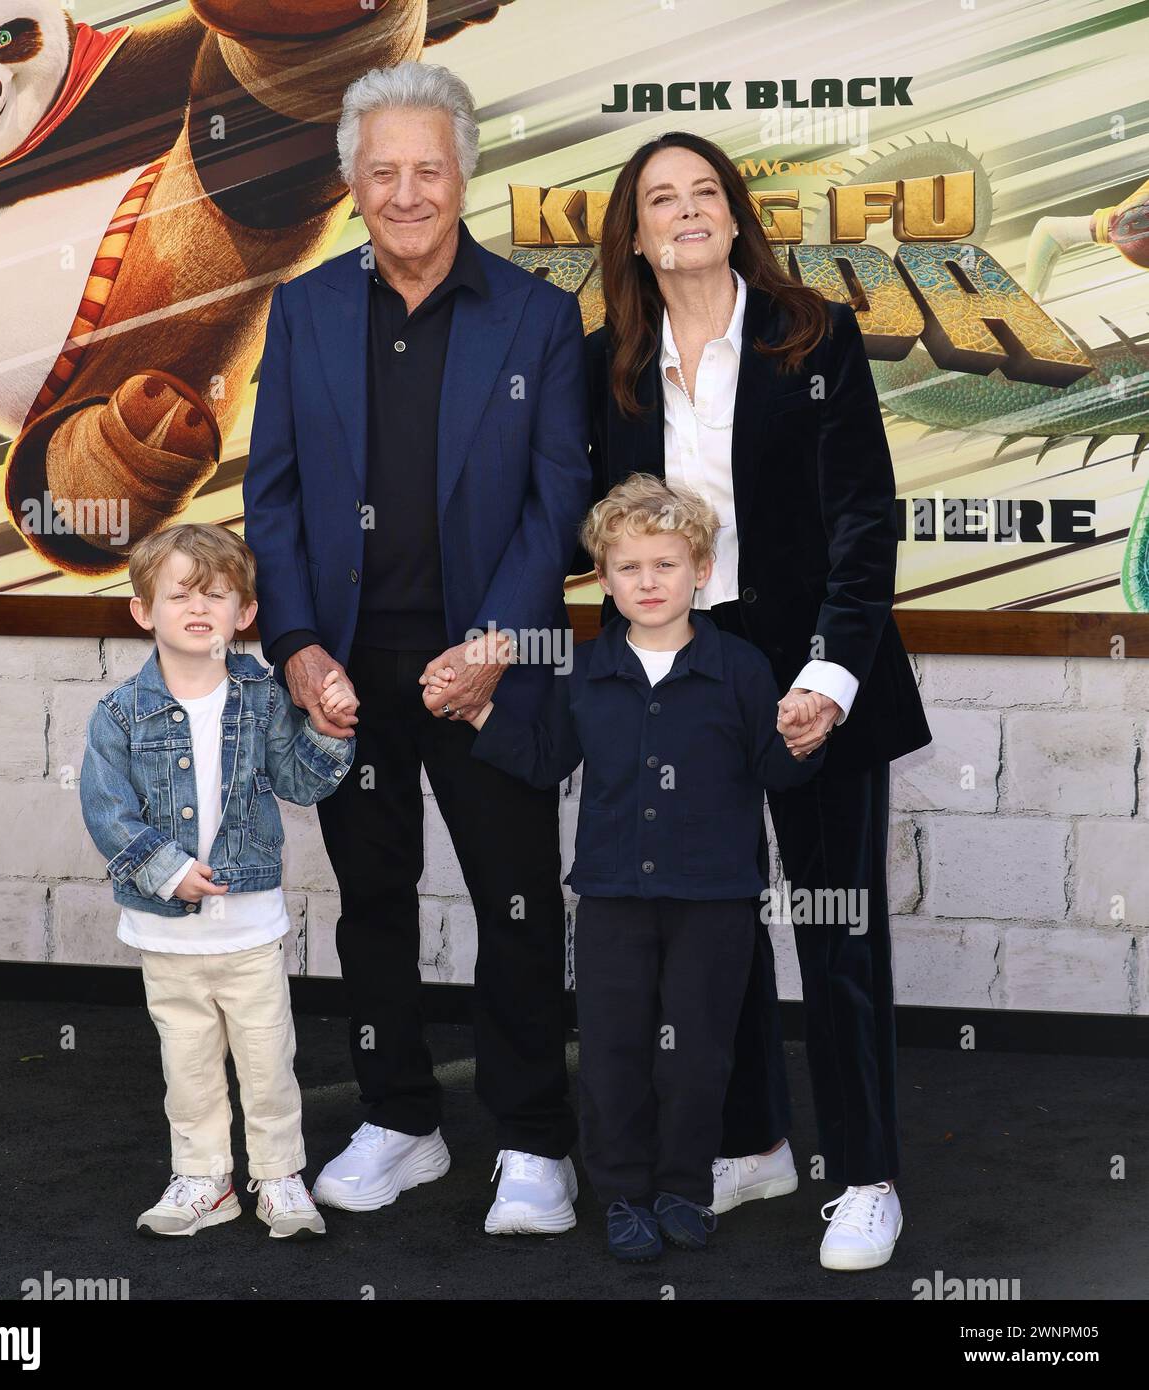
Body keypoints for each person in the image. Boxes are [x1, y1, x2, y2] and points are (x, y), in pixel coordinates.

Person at [242, 61, 590, 1233]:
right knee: (372, 904)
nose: (405, 192)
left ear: (464, 176)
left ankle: (537, 1141)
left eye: (426, 170)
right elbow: (275, 496)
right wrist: (295, 645)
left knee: (519, 906)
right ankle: (401, 1121)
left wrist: (495, 644)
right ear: (351, 182)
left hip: (487, 673)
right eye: (381, 170)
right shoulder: (304, 309)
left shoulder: (540, 317)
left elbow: (558, 505)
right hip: (348, 672)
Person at [582, 131, 932, 1270]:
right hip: (679, 674)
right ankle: (758, 1141)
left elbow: (862, 521)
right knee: (709, 923)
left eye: (703, 194)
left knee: (837, 928)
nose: (684, 212)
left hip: (813, 661)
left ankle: (866, 1175)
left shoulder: (813, 336)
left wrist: (828, 678)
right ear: (633, 232)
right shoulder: (608, 363)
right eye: (659, 199)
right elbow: (587, 524)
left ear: (735, 215)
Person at [428, 474, 823, 1261]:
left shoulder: (742, 669)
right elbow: (544, 763)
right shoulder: (583, 670)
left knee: (699, 1054)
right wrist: (480, 714)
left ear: (702, 570)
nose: (648, 582)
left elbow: (774, 770)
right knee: (611, 1054)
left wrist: (806, 737)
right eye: (630, 567)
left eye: (666, 565)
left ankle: (682, 1187)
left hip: (715, 902)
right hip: (611, 900)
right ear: (603, 580)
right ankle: (622, 1193)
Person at [79, 523, 356, 1239]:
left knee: (269, 1062)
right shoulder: (119, 714)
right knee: (190, 1067)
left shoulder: (263, 699)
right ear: (144, 611)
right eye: (179, 595)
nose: (198, 608)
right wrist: (166, 872)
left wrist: (329, 729)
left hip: (250, 931)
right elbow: (108, 812)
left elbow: (300, 782)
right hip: (165, 935)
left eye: (217, 594)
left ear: (246, 612)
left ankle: (279, 1176)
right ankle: (204, 1178)